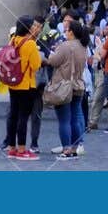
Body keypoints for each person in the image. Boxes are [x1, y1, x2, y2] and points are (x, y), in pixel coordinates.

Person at [0, 16, 42, 160]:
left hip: (12, 83)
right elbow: (36, 65)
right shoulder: (30, 44)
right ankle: (22, 149)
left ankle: (12, 147)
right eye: (33, 25)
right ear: (28, 28)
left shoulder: (13, 40)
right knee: (23, 117)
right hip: (26, 84)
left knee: (13, 115)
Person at [44, 19, 89, 158]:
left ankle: (66, 149)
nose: (65, 32)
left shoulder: (65, 46)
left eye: (66, 30)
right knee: (75, 119)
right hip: (79, 85)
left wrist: (49, 55)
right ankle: (75, 147)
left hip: (64, 86)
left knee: (64, 120)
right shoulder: (83, 47)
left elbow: (53, 61)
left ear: (71, 32)